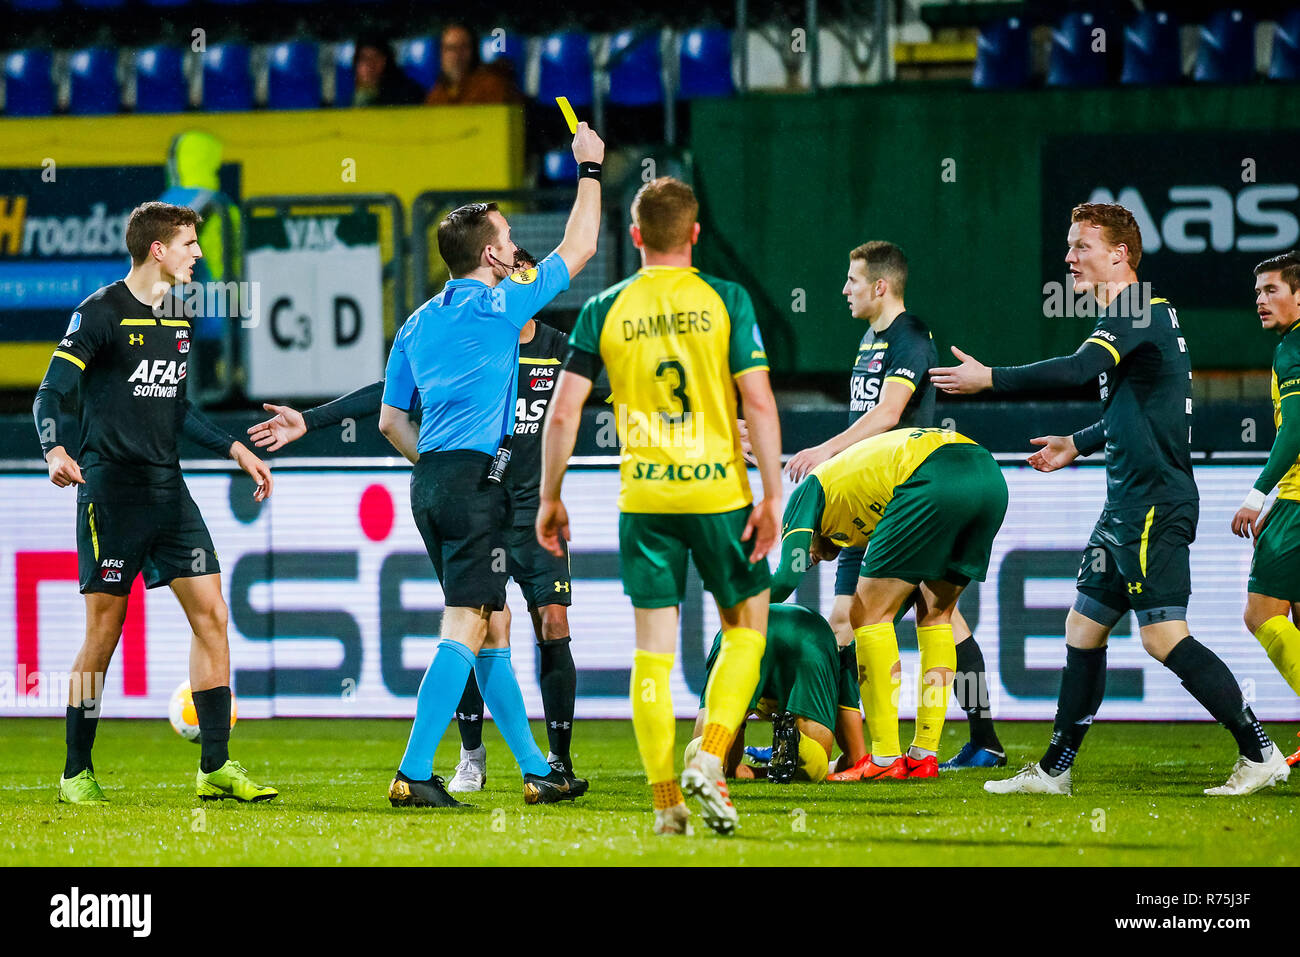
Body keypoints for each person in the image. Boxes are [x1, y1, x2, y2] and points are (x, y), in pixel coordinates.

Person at [931, 202, 1288, 797]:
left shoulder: (1135, 310)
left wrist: (990, 378)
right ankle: (1055, 770)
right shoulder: (1138, 317)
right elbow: (1136, 412)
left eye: (1081, 247)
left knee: (1161, 635)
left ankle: (1260, 751)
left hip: (1152, 505)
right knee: (1083, 628)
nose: (1069, 257)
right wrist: (1079, 441)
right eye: (1069, 246)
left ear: (1119, 254)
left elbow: (1077, 369)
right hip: (1126, 505)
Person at [246, 254, 584, 789]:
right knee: (476, 626)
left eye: (525, 270)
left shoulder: (558, 348)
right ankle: (464, 759)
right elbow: (384, 398)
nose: (517, 274)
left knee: (527, 623)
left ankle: (550, 766)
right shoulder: (475, 337)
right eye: (511, 263)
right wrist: (312, 420)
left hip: (532, 511)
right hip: (481, 500)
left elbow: (629, 386)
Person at [537, 176, 784, 837]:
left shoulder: (605, 309)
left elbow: (563, 411)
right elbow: (758, 402)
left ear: (636, 235)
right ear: (696, 235)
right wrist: (773, 494)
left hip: (643, 498)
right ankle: (711, 750)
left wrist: (549, 495)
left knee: (653, 655)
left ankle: (666, 801)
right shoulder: (725, 298)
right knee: (746, 631)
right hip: (719, 495)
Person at [377, 123, 604, 809]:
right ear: (489, 255)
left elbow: (391, 421)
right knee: (468, 623)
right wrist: (588, 170)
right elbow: (583, 246)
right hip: (479, 483)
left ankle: (539, 768)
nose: (514, 246)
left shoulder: (415, 323)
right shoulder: (504, 303)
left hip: (430, 482)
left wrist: (439, 470)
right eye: (506, 238)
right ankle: (415, 772)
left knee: (494, 625)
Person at [33, 201, 277, 804]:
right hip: (110, 491)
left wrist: (234, 449)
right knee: (105, 630)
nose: (198, 254)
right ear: (157, 250)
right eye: (190, 243)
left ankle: (215, 766)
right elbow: (51, 393)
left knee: (213, 615)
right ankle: (75, 772)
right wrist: (53, 450)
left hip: (169, 491)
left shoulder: (180, 318)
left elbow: (175, 407)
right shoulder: (99, 312)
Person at [781, 240, 1004, 774]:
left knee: (860, 621)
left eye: (852, 280)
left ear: (881, 286)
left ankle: (848, 748)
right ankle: (974, 742)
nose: (844, 289)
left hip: (901, 497)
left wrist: (823, 450)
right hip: (881, 496)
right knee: (936, 617)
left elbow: (887, 414)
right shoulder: (870, 339)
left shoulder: (908, 337)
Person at [771, 428, 1008, 782]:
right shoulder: (860, 504)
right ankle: (923, 755)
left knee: (864, 613)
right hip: (988, 476)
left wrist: (742, 601)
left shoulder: (808, 493)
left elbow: (787, 578)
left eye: (807, 552)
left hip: (932, 474)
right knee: (936, 614)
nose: (812, 560)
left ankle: (883, 759)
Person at [1231, 250, 1300, 767]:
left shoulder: (1292, 349)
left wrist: (1259, 496)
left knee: (1262, 614)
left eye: (1272, 289)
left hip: (1298, 503)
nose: (1261, 300)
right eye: (1257, 291)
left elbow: (1296, 430)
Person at [686, 603, 865, 786]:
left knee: (707, 756)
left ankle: (707, 749)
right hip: (810, 636)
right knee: (813, 766)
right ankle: (798, 743)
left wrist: (740, 770)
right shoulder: (842, 663)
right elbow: (855, 760)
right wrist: (830, 766)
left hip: (742, 631)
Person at [425, 24, 522, 106]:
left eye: (463, 47)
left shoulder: (493, 87)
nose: (456, 56)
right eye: (450, 48)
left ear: (474, 51)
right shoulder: (435, 96)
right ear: (441, 54)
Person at [352, 34, 426, 106]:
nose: (370, 65)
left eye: (376, 58)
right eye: (364, 58)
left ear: (386, 61)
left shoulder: (406, 93)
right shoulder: (345, 91)